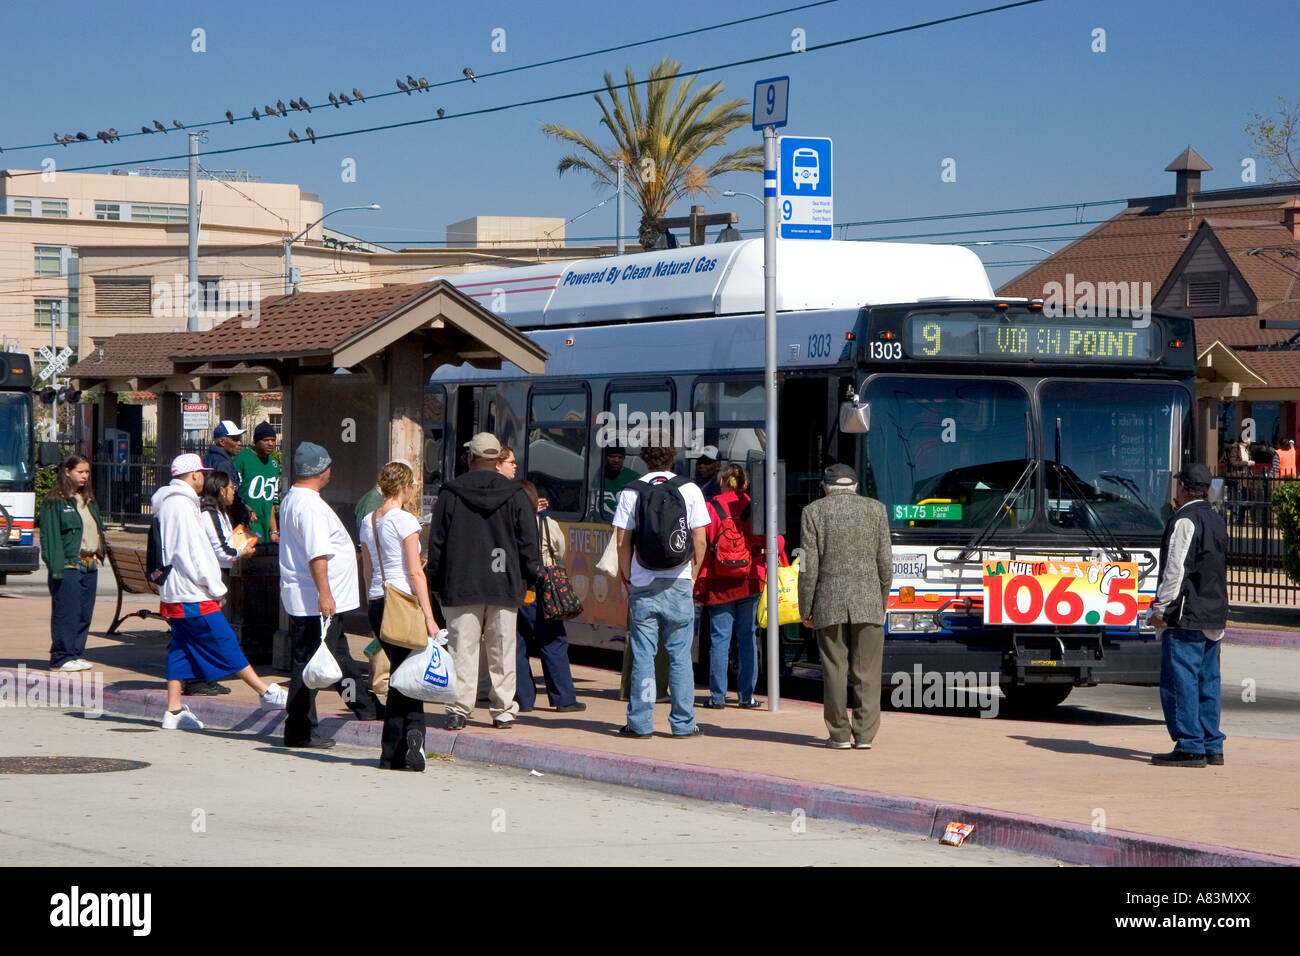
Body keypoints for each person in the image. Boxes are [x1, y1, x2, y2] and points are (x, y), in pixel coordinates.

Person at [151, 454, 287, 731]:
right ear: (194, 475)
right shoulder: (182, 505)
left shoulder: (169, 503)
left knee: (180, 648)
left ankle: (174, 709)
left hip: (176, 592)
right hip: (192, 592)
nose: (204, 478)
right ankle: (264, 692)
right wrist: (214, 587)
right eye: (201, 473)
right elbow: (193, 553)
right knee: (224, 641)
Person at [427, 433, 538, 730]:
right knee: (502, 647)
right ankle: (503, 709)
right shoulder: (515, 495)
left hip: (461, 583)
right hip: (505, 584)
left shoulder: (450, 493)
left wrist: (435, 581)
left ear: (470, 458)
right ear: (497, 459)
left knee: (463, 648)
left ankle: (459, 708)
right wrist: (530, 578)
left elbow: (436, 543)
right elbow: (529, 542)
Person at [278, 441, 383, 749]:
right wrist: (325, 595)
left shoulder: (296, 499)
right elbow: (316, 555)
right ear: (321, 470)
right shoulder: (309, 505)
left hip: (317, 600)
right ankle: (299, 730)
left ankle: (364, 706)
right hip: (316, 601)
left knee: (337, 659)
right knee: (307, 666)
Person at [613, 429, 710, 738]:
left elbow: (622, 542)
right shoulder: (690, 489)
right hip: (679, 581)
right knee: (680, 656)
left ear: (643, 458)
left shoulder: (631, 491)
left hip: (643, 583)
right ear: (673, 456)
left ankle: (640, 724)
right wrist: (692, 577)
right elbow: (701, 541)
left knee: (643, 653)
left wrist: (628, 576)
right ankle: (683, 724)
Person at [798, 463, 892, 750]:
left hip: (828, 602)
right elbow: (885, 564)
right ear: (854, 486)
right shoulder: (876, 510)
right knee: (868, 672)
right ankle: (864, 735)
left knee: (834, 670)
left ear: (826, 487)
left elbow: (807, 568)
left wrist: (806, 608)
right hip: (869, 601)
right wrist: (882, 600)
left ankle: (839, 734)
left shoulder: (813, 512)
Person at [1147, 463, 1229, 768]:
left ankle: (1190, 745)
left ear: (1182, 487)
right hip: (1214, 613)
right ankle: (1211, 744)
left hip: (1186, 615)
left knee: (1181, 680)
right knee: (1208, 680)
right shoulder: (1216, 520)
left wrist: (1161, 610)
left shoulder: (1184, 520)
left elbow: (1175, 571)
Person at [359, 461, 439, 772]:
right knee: (410, 677)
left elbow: (367, 571)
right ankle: (411, 741)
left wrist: (371, 602)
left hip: (379, 602)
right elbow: (415, 572)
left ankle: (394, 750)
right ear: (405, 488)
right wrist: (429, 617)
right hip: (403, 602)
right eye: (413, 486)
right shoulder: (405, 521)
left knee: (400, 674)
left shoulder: (368, 521)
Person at [696, 464, 782, 709]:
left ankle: (717, 696)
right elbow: (775, 540)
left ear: (722, 482)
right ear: (745, 484)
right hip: (750, 579)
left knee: (719, 640)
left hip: (719, 581)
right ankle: (747, 696)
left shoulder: (711, 507)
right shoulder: (755, 506)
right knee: (747, 638)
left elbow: (702, 541)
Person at [183, 471, 257, 696]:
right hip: (210, 578)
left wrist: (243, 540)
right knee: (209, 629)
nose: (234, 492)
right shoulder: (209, 514)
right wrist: (243, 551)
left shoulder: (220, 513)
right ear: (221, 490)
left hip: (218, 575)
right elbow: (222, 550)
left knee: (208, 628)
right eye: (231, 488)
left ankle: (205, 676)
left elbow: (226, 542)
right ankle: (197, 678)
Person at [515, 480, 586, 713]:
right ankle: (564, 698)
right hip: (542, 589)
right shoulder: (546, 523)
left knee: (518, 645)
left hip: (516, 588)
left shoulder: (508, 522)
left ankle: (524, 700)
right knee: (553, 641)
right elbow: (561, 550)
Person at [38, 455, 106, 672]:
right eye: (80, 471)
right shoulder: (55, 500)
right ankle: (61, 657)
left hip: (90, 563)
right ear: (67, 471)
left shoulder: (87, 499)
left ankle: (75, 653)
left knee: (83, 612)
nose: (85, 476)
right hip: (69, 564)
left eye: (87, 472)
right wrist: (58, 566)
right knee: (66, 611)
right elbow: (50, 538)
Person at [233, 422, 280, 544]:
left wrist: (274, 531)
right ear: (256, 441)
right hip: (244, 525)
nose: (270, 443)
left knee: (262, 561)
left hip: (265, 530)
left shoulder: (274, 464)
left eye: (273, 440)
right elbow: (232, 492)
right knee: (241, 557)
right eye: (266, 440)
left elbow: (272, 502)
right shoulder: (242, 459)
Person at [203, 420, 251, 527]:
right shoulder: (223, 464)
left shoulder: (209, 458)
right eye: (235, 439)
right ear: (222, 442)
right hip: (225, 518)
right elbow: (227, 496)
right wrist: (243, 512)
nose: (239, 443)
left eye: (239, 439)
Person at [598, 446, 639, 520]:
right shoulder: (598, 475)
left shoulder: (634, 477)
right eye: (612, 457)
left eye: (620, 457)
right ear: (605, 458)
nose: (616, 460)